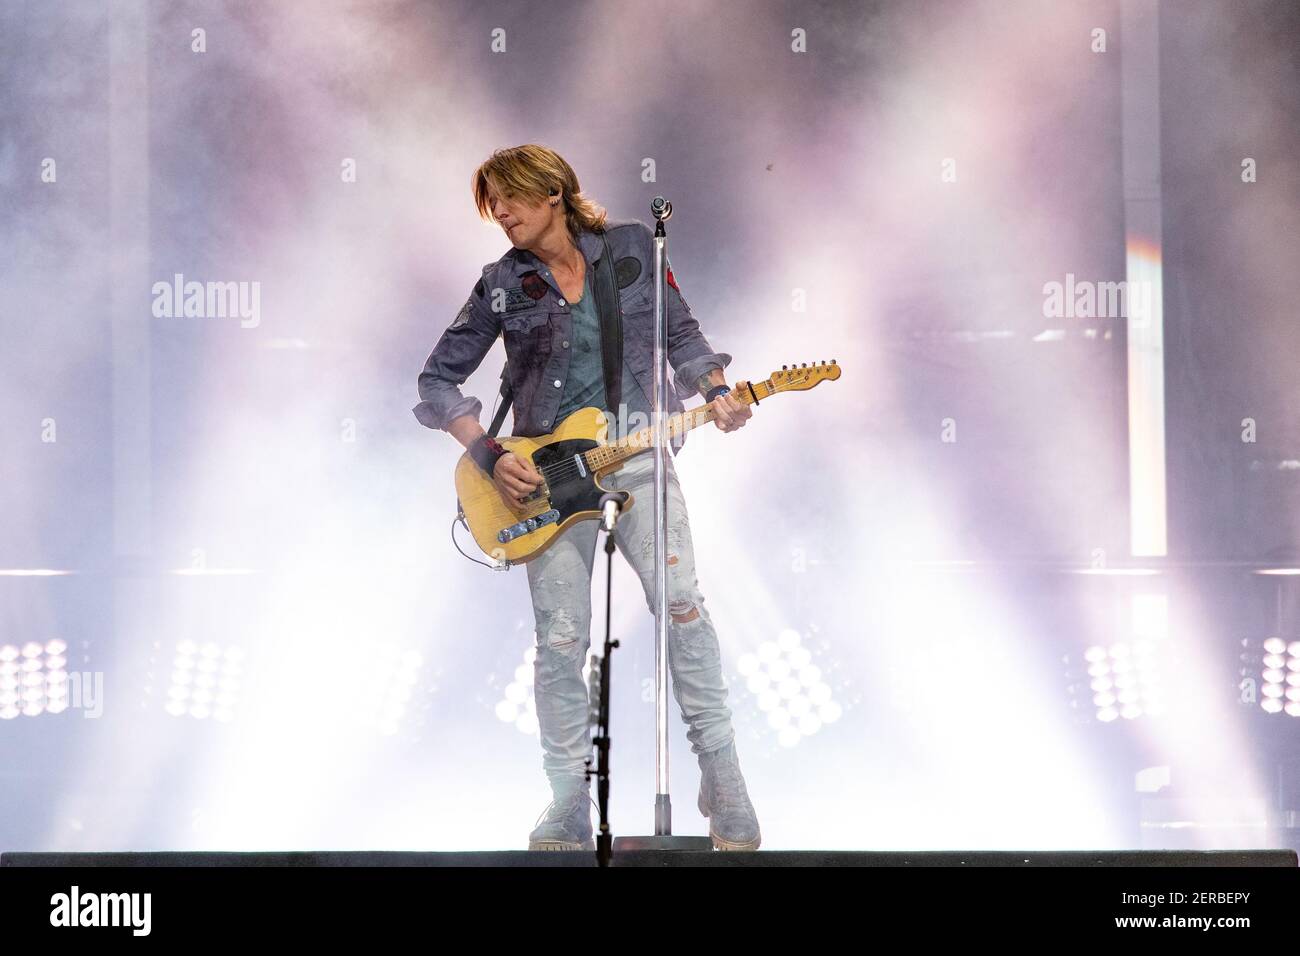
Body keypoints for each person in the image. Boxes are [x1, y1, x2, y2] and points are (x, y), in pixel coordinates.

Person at [414, 144, 761, 851]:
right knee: (561, 641)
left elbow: (682, 333)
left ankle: (723, 777)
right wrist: (488, 453)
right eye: (492, 205)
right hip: (544, 477)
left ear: (552, 194)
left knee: (685, 608)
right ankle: (568, 800)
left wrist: (718, 392)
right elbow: (436, 383)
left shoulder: (631, 248)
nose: (501, 214)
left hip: (636, 454)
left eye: (509, 198)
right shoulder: (500, 284)